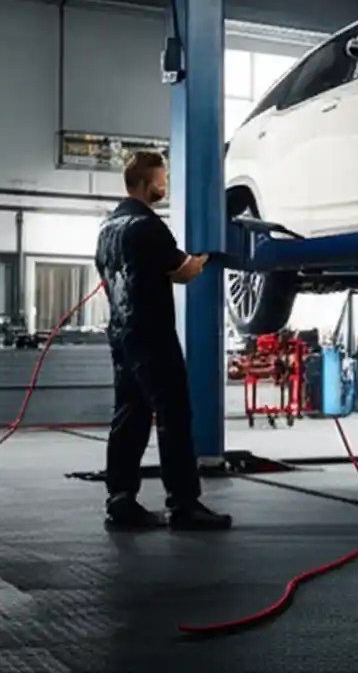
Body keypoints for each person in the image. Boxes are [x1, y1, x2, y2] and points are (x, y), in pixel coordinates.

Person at [94, 150, 232, 531]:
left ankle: (120, 500)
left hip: (121, 333)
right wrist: (202, 259)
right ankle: (184, 504)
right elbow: (182, 271)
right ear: (145, 183)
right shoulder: (148, 226)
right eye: (162, 178)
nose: (165, 184)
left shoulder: (107, 229)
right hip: (153, 332)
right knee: (173, 415)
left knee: (129, 415)